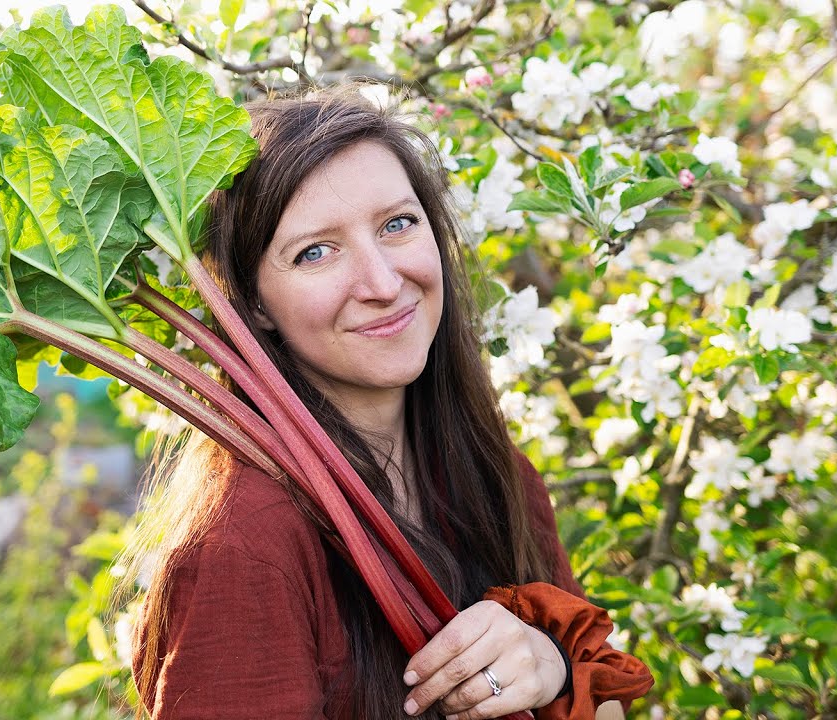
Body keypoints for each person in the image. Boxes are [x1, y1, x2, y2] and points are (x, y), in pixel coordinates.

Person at [124, 83, 654, 720]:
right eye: (315, 252)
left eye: (397, 224)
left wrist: (554, 669)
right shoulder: (245, 548)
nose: (382, 282)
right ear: (254, 303)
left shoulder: (498, 477)